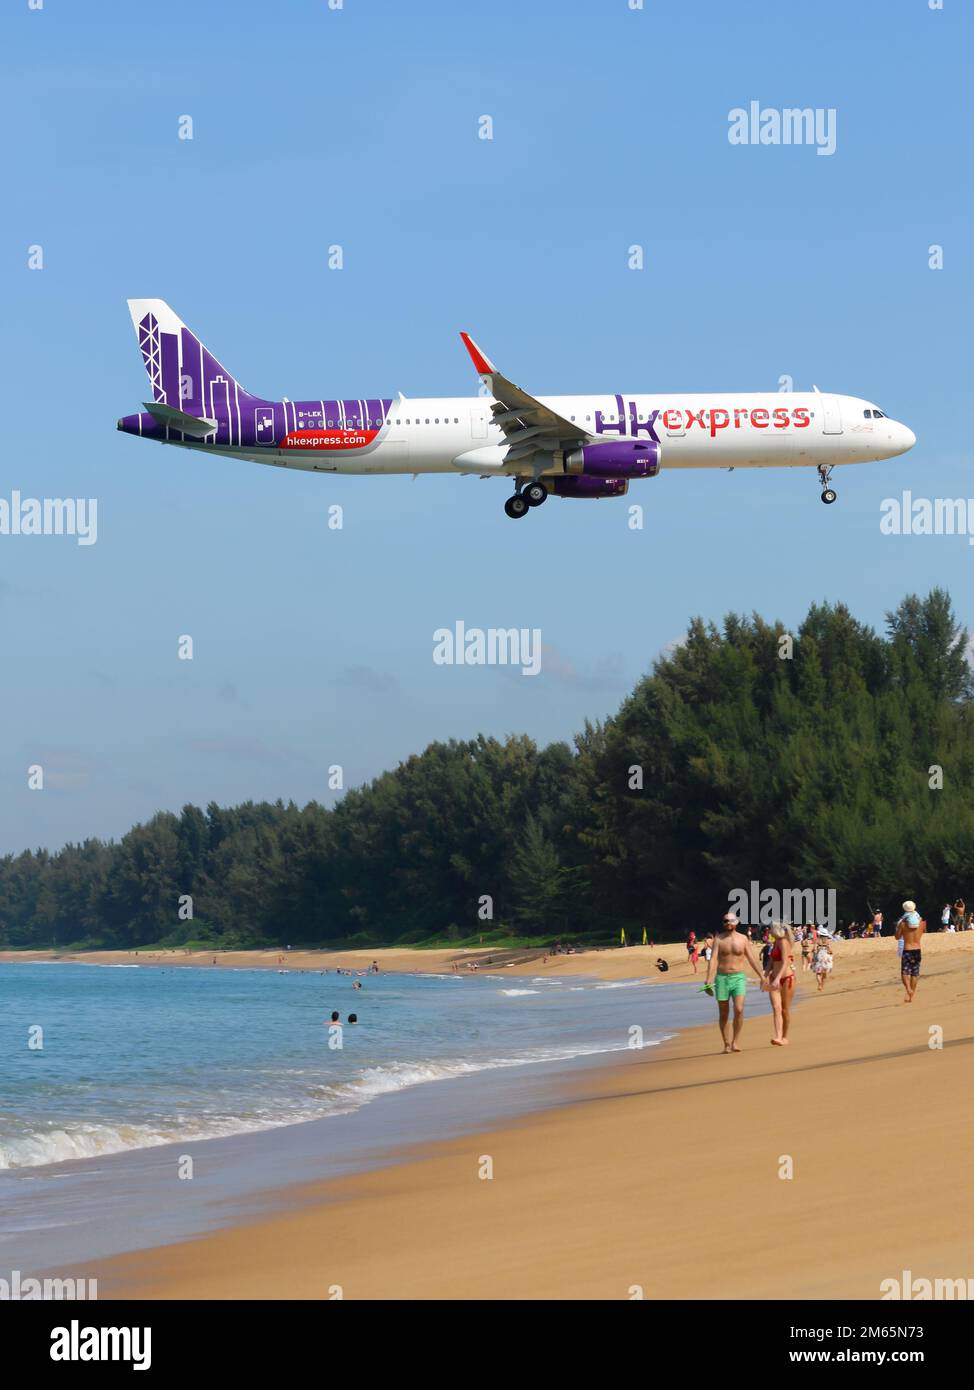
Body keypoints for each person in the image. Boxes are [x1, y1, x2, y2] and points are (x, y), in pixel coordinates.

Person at [704, 912, 766, 1054]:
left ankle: (735, 1041)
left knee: (738, 1009)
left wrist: (762, 976)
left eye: (731, 921)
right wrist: (709, 979)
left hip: (738, 977)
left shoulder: (743, 939)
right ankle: (726, 1043)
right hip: (722, 978)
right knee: (724, 1012)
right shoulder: (718, 939)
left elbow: (751, 959)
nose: (728, 923)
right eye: (725, 921)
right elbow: (713, 960)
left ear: (737, 922)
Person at [765, 922, 796, 1046]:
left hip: (786, 979)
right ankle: (778, 1036)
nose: (769, 931)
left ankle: (784, 1037)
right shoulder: (775, 943)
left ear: (775, 930)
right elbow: (770, 963)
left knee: (785, 1010)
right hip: (774, 979)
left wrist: (778, 978)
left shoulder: (783, 942)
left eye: (770, 929)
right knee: (776, 1008)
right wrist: (765, 976)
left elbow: (785, 963)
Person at [895, 900, 925, 1003]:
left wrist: (899, 928)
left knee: (905, 972)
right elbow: (921, 934)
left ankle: (908, 989)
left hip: (907, 949)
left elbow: (897, 937)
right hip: (917, 949)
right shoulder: (921, 923)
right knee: (914, 973)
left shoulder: (903, 924)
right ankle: (911, 997)